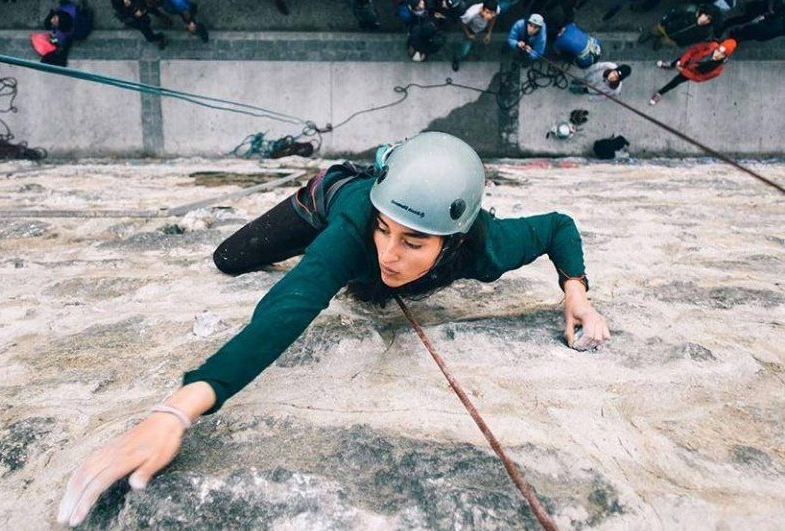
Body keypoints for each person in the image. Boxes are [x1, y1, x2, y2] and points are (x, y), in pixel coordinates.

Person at [56, 132, 611, 528]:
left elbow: (557, 226)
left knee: (360, 273)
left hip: (371, 215)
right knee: (231, 259)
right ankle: (336, 216)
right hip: (332, 200)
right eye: (384, 232)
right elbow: (288, 308)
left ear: (455, 240)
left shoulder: (486, 245)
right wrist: (178, 408)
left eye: (413, 242)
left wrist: (575, 291)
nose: (389, 255)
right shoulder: (353, 227)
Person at [649, 38, 737, 105]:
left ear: (725, 57)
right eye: (718, 50)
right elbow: (694, 49)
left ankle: (660, 93)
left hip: (690, 72)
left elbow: (699, 78)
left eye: (722, 54)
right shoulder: (712, 45)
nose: (717, 54)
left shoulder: (718, 69)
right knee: (677, 62)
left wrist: (683, 71)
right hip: (688, 61)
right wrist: (683, 61)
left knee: (675, 82)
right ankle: (670, 65)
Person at [639, 3, 723, 50]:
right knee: (655, 30)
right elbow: (674, 13)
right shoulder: (690, 10)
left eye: (709, 19)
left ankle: (660, 42)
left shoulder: (705, 32)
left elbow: (692, 41)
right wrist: (664, 21)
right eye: (705, 15)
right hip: (667, 27)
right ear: (702, 12)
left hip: (675, 39)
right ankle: (650, 33)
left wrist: (680, 43)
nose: (705, 20)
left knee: (665, 41)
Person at [451, 0, 501, 71]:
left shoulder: (496, 9)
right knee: (464, 50)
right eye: (487, 12)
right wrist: (468, 35)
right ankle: (456, 59)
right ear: (482, 9)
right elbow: (462, 23)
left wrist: (489, 33)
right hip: (471, 29)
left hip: (482, 26)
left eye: (492, 13)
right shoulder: (471, 13)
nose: (489, 16)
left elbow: (493, 18)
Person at [40, 1, 94, 66]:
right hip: (80, 26)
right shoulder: (68, 8)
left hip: (77, 30)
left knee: (62, 44)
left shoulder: (61, 33)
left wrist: (51, 39)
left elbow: (57, 40)